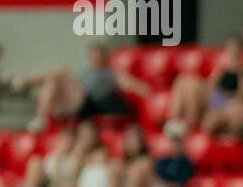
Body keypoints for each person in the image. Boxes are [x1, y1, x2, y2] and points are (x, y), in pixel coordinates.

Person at [14, 42, 149, 131]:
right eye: (92, 56)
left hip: (88, 105)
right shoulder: (85, 72)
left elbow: (134, 85)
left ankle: (26, 81)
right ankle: (40, 118)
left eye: (98, 56)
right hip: (72, 104)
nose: (95, 59)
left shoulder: (110, 73)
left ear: (105, 57)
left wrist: (148, 93)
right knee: (52, 80)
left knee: (60, 72)